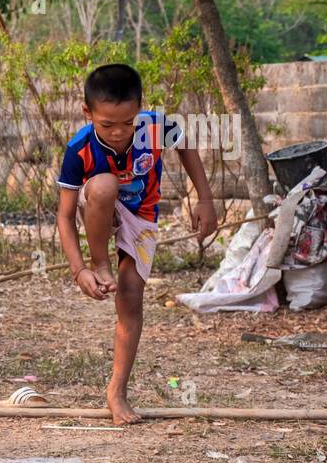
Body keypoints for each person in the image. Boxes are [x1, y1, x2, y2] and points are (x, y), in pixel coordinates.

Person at [56, 63, 218, 425]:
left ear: (140, 109)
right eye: (106, 124)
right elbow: (65, 216)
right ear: (88, 113)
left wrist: (204, 200)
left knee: (130, 295)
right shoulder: (79, 149)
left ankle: (117, 391)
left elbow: (187, 146)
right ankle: (102, 263)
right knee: (103, 186)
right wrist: (80, 268)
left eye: (127, 123)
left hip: (141, 215)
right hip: (99, 207)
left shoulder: (156, 126)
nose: (118, 133)